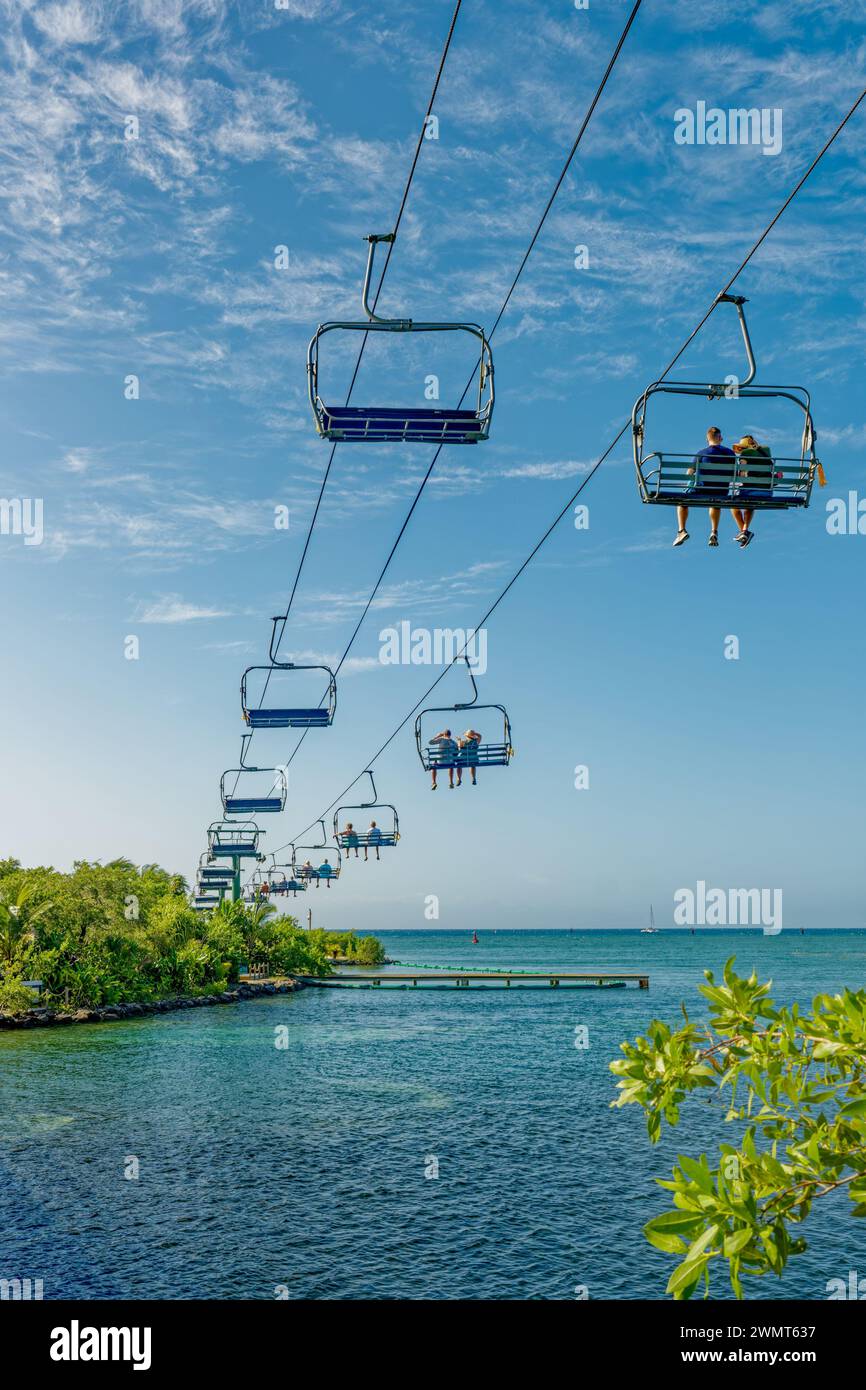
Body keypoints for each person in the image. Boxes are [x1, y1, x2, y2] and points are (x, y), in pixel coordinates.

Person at [674, 427, 736, 548]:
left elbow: (689, 473)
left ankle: (681, 531)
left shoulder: (701, 453)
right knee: (715, 502)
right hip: (721, 492)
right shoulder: (730, 453)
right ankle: (714, 531)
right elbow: (736, 474)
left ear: (707, 439)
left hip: (702, 490)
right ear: (720, 438)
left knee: (681, 501)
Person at [731, 434, 772, 547]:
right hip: (767, 491)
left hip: (750, 491)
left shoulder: (745, 454)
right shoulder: (767, 450)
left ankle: (743, 531)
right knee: (750, 502)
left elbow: (742, 475)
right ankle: (744, 531)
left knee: (733, 504)